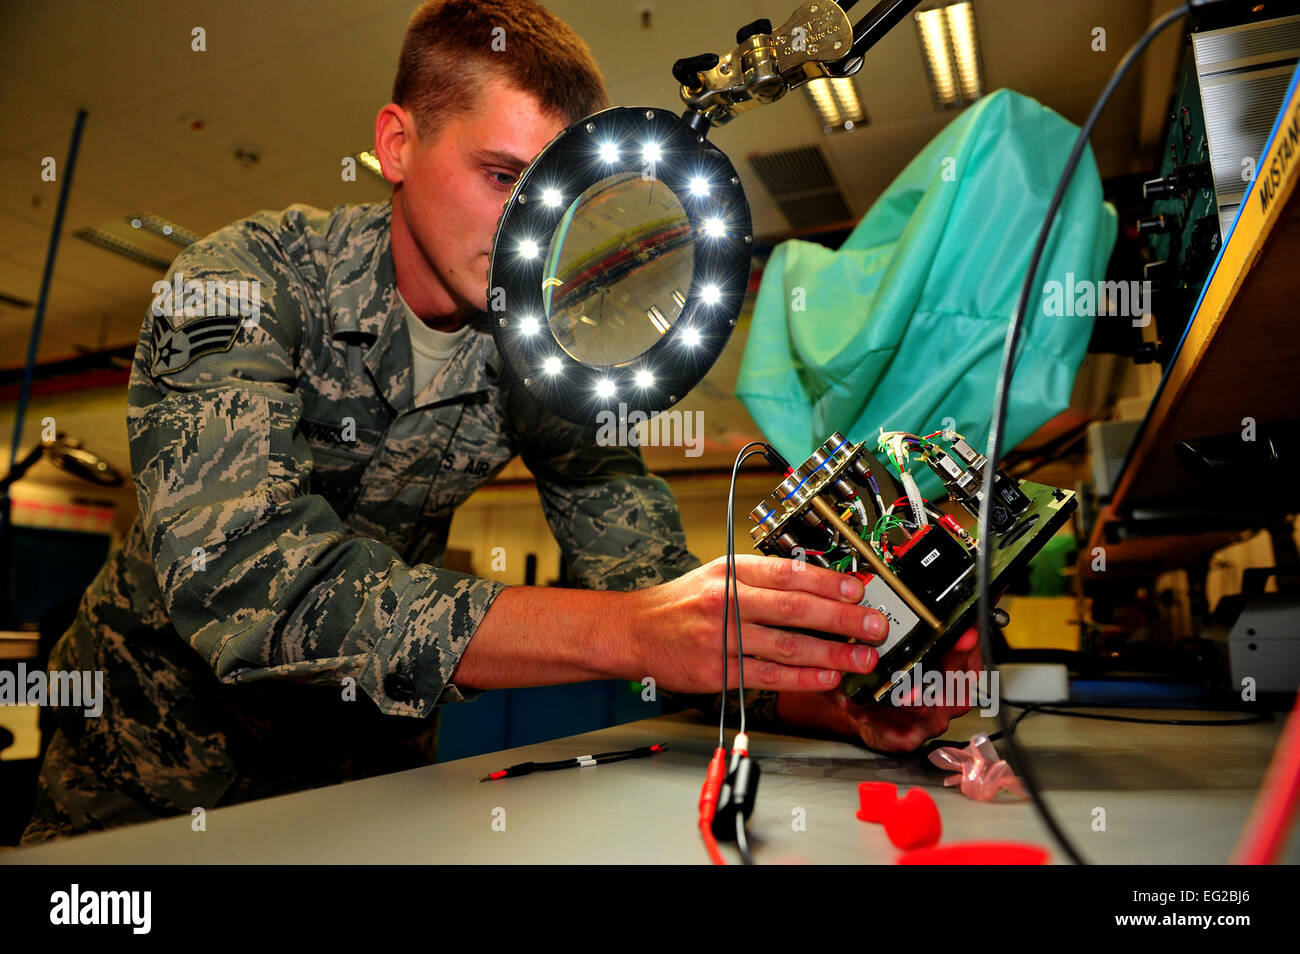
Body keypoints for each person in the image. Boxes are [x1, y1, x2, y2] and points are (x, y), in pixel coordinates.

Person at [21, 0, 979, 845]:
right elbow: (248, 585)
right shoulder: (238, 284)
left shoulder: (545, 340)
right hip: (147, 768)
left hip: (370, 773)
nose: (527, 230)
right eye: (497, 174)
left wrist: (833, 700)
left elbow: (654, 589)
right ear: (396, 145)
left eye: (550, 195)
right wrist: (632, 633)